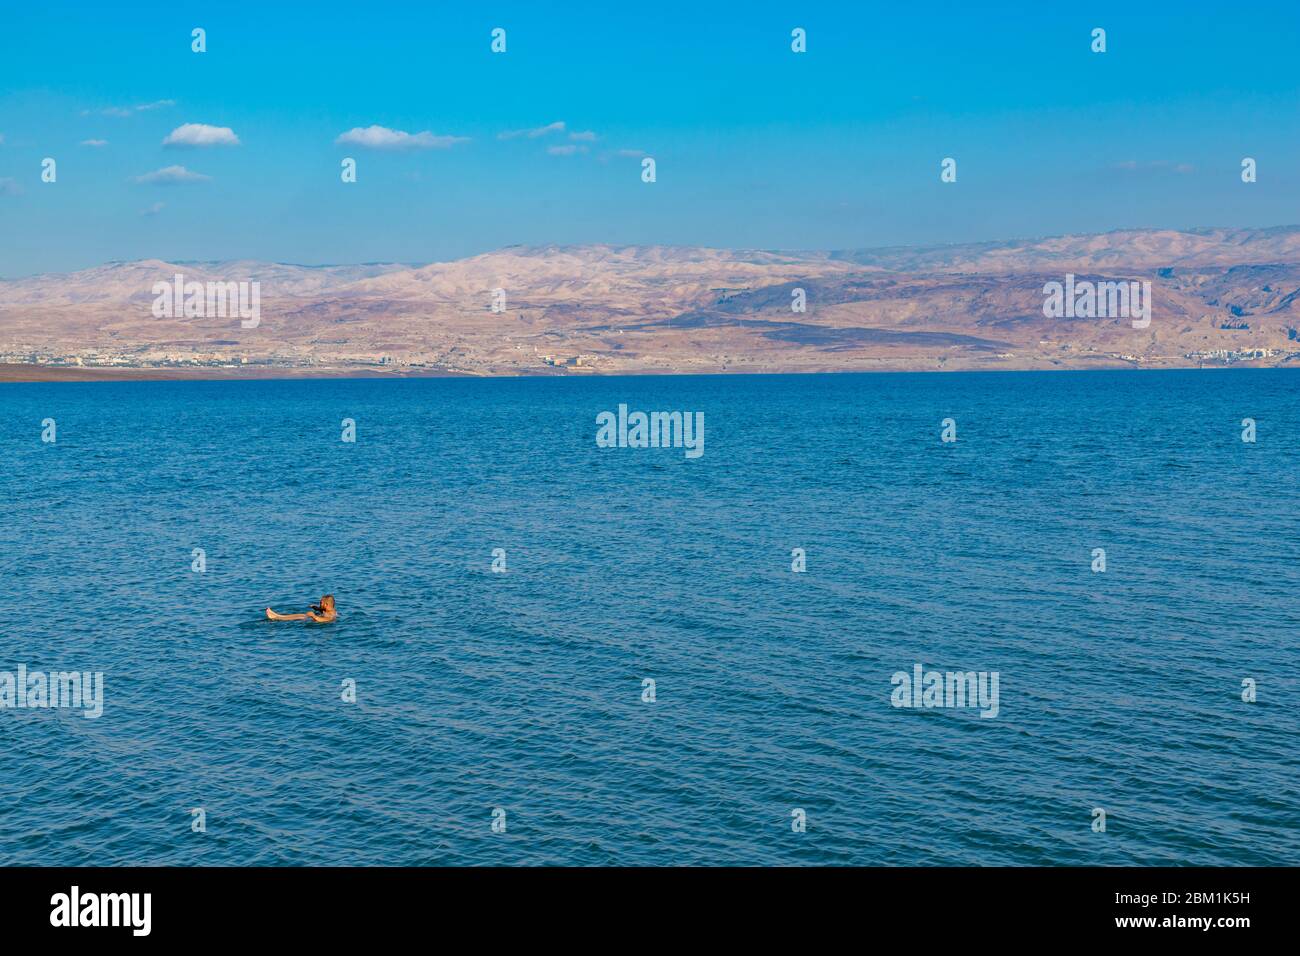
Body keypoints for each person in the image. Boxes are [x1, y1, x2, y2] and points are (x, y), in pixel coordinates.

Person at [266, 594, 337, 623]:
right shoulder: (326, 609)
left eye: (320, 603)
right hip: (313, 618)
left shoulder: (331, 614)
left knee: (301, 616)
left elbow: (327, 619)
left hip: (315, 620)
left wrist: (314, 616)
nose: (319, 604)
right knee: (302, 615)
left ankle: (276, 617)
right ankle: (279, 616)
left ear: (326, 604)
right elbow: (320, 609)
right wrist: (314, 607)